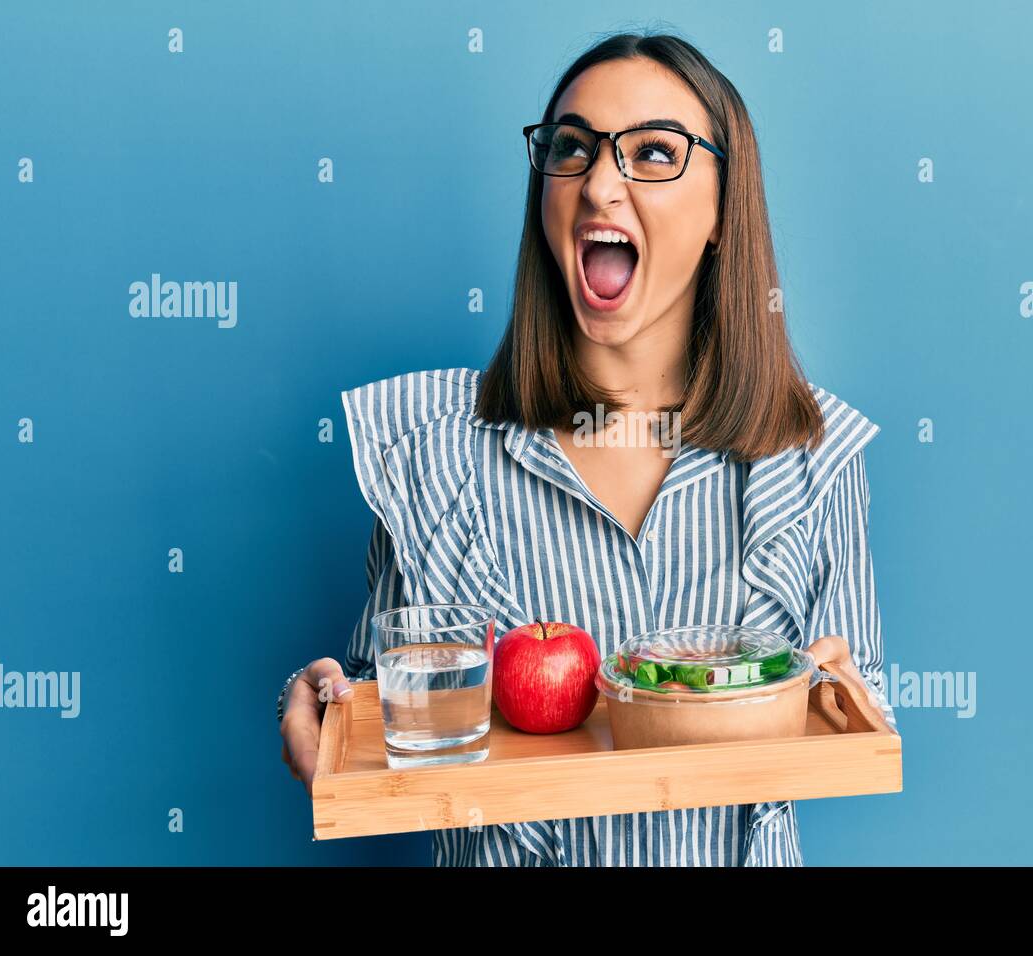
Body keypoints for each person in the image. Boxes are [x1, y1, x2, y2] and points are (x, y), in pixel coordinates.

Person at [279, 31, 897, 866]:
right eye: (572, 149)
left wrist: (839, 695)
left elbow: (864, 713)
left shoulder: (812, 457)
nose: (600, 183)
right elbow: (378, 699)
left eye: (653, 152)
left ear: (723, 207)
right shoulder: (427, 452)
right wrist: (315, 695)